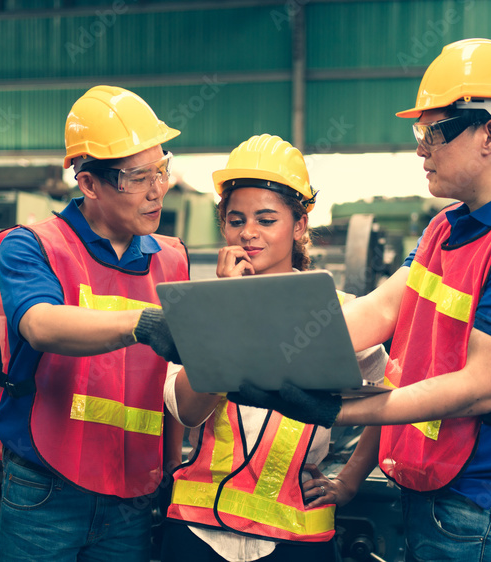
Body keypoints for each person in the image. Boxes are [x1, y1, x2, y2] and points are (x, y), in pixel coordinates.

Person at [229, 39, 491, 562]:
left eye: (434, 131)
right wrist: (244, 339)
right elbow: (379, 311)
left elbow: (480, 389)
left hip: (489, 506)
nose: (421, 148)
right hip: (435, 489)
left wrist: (343, 408)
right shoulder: (447, 228)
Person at [0, 85, 190, 562]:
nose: (157, 189)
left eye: (161, 169)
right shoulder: (31, 246)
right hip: (46, 490)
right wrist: (141, 322)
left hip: (132, 495)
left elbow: (173, 378)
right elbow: (40, 324)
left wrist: (171, 467)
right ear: (89, 183)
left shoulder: (173, 259)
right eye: (138, 177)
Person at [159, 134, 388, 562]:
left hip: (296, 539)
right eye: (235, 219)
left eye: (267, 220)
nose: (248, 233)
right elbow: (188, 410)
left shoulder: (340, 315)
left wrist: (351, 478)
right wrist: (227, 308)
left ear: (300, 224)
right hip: (197, 532)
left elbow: (396, 394)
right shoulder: (201, 307)